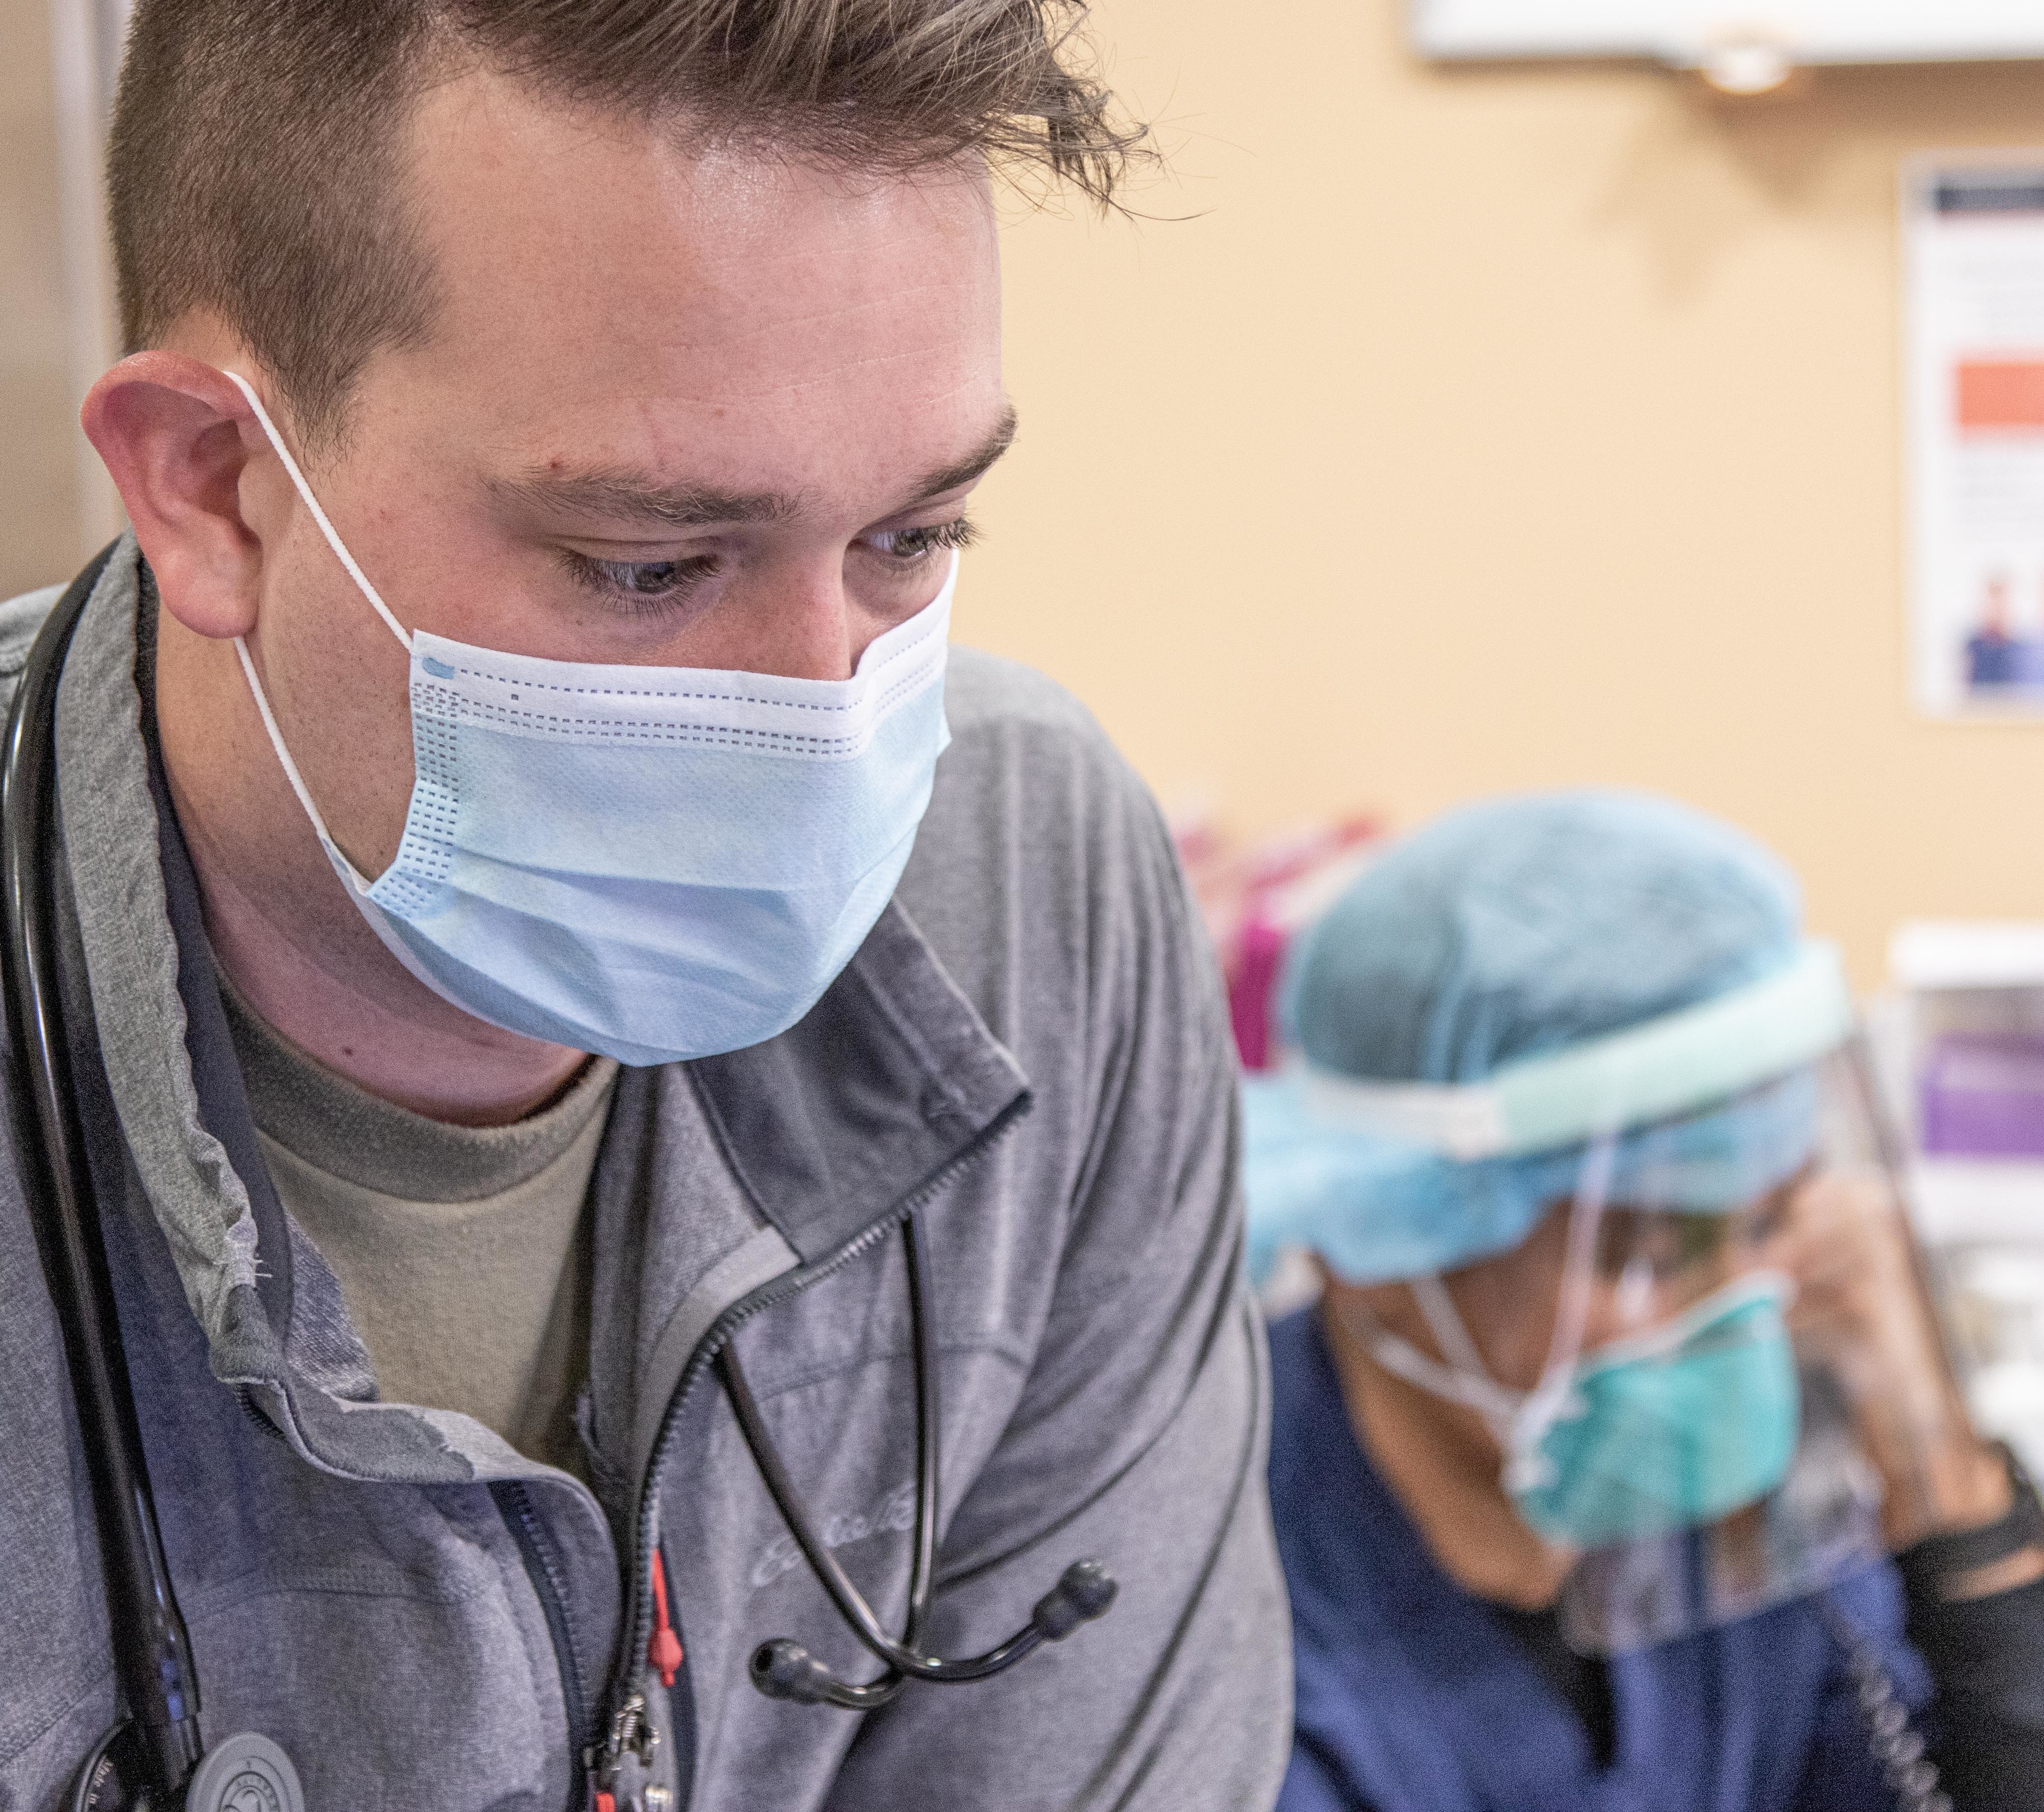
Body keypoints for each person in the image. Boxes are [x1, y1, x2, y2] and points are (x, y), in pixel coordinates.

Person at [0, 3, 1287, 1809]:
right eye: (649, 563)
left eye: (912, 537)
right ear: (212, 485)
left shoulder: (1026, 884)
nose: (821, 710)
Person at [1246, 792, 2044, 1812]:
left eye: (1770, 1222)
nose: (1742, 1309)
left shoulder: (1731, 1516)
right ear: (1381, 1250)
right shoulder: (1222, 1624)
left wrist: (1936, 1470)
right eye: (1651, 1254)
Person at [1962, 576, 2019, 691]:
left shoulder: (2016, 650)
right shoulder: (1973, 648)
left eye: (2001, 605)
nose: (1996, 611)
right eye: (1992, 604)